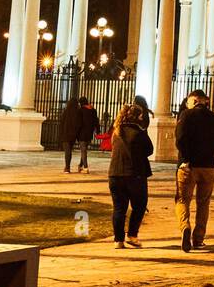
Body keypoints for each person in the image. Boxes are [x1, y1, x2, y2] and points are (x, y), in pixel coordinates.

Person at [174, 89, 214, 252]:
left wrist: (186, 158)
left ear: (194, 101)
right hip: (209, 166)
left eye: (188, 101)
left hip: (188, 166)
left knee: (183, 200)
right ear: (205, 101)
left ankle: (185, 227)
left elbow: (180, 139)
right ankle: (198, 239)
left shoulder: (186, 115)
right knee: (203, 202)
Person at [108, 102, 153, 248]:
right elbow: (149, 150)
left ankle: (118, 239)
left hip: (115, 174)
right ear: (137, 117)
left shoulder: (117, 131)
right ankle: (132, 234)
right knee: (139, 205)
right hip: (135, 174)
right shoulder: (138, 133)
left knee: (119, 208)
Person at [61, 96, 99, 174]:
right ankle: (80, 166)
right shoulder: (91, 111)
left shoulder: (78, 111)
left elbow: (77, 123)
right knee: (84, 150)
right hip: (86, 134)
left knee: (80, 151)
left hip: (76, 134)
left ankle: (81, 167)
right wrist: (97, 130)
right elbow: (95, 121)